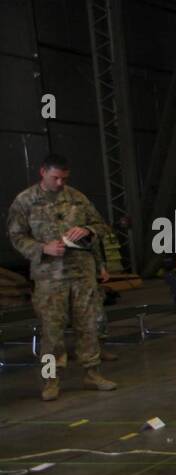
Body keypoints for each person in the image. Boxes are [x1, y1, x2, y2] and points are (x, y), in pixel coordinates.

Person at [6, 153, 116, 400]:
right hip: (49, 277)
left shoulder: (77, 199)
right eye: (56, 178)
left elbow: (101, 226)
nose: (60, 183)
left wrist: (87, 230)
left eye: (64, 178)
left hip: (81, 274)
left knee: (88, 326)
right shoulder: (25, 201)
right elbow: (16, 236)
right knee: (51, 332)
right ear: (43, 172)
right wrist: (42, 249)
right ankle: (50, 380)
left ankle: (92, 373)